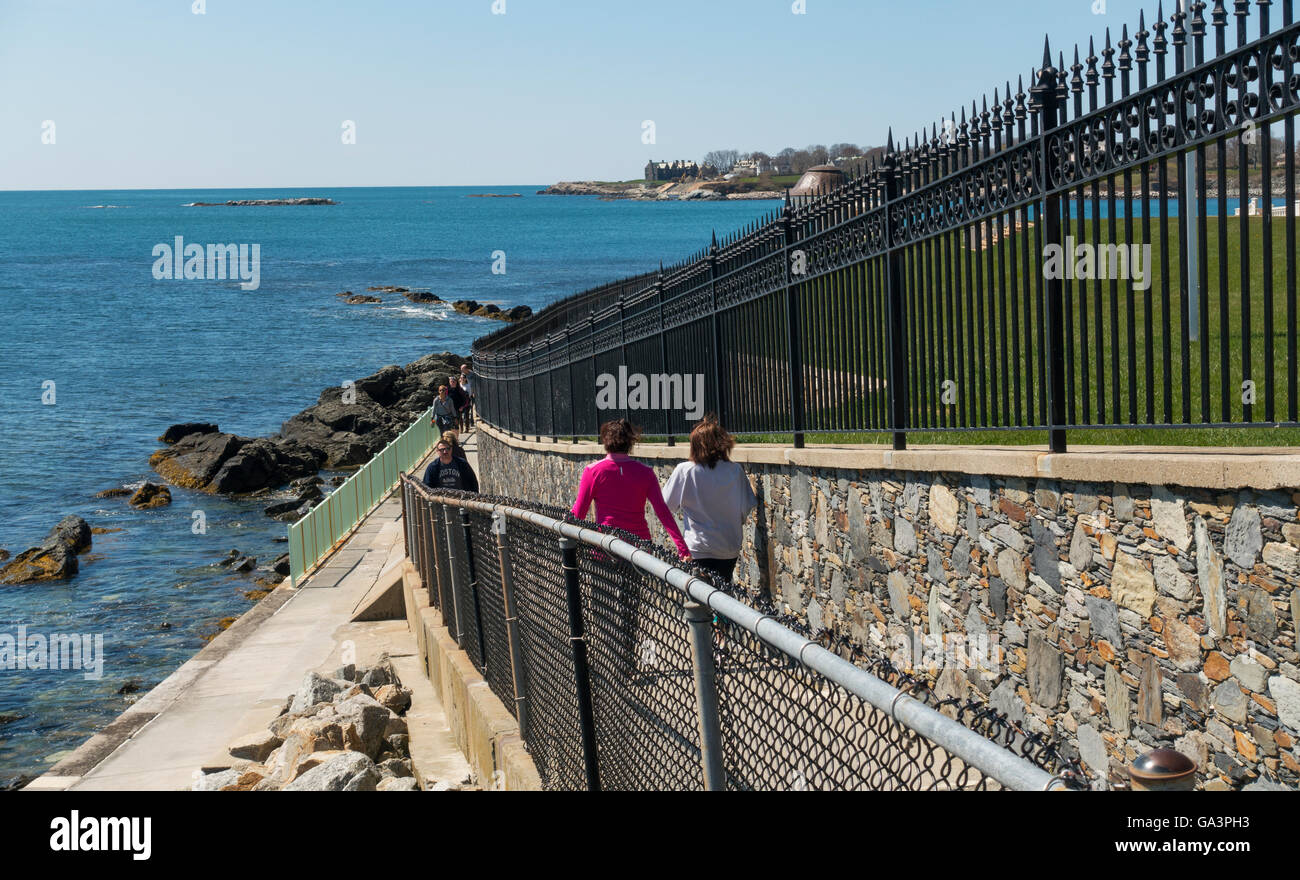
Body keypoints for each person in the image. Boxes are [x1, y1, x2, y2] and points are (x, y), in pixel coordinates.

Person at [571, 418, 689, 559]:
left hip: (606, 546)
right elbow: (663, 512)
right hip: (639, 548)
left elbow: (578, 514)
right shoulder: (646, 472)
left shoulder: (593, 471)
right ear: (630, 443)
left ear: (605, 442)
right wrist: (682, 549)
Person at [662, 417, 757, 582]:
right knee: (723, 591)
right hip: (729, 546)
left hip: (698, 547)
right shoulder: (735, 470)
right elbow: (746, 506)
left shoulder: (685, 471)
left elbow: (666, 506)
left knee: (699, 596)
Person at [458, 363, 476, 428]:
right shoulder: (463, 375)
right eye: (461, 370)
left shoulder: (472, 374)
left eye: (462, 370)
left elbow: (475, 383)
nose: (461, 371)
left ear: (466, 369)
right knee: (467, 409)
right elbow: (460, 381)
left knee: (472, 408)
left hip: (472, 393)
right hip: (465, 394)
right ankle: (467, 422)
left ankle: (471, 421)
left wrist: (474, 392)